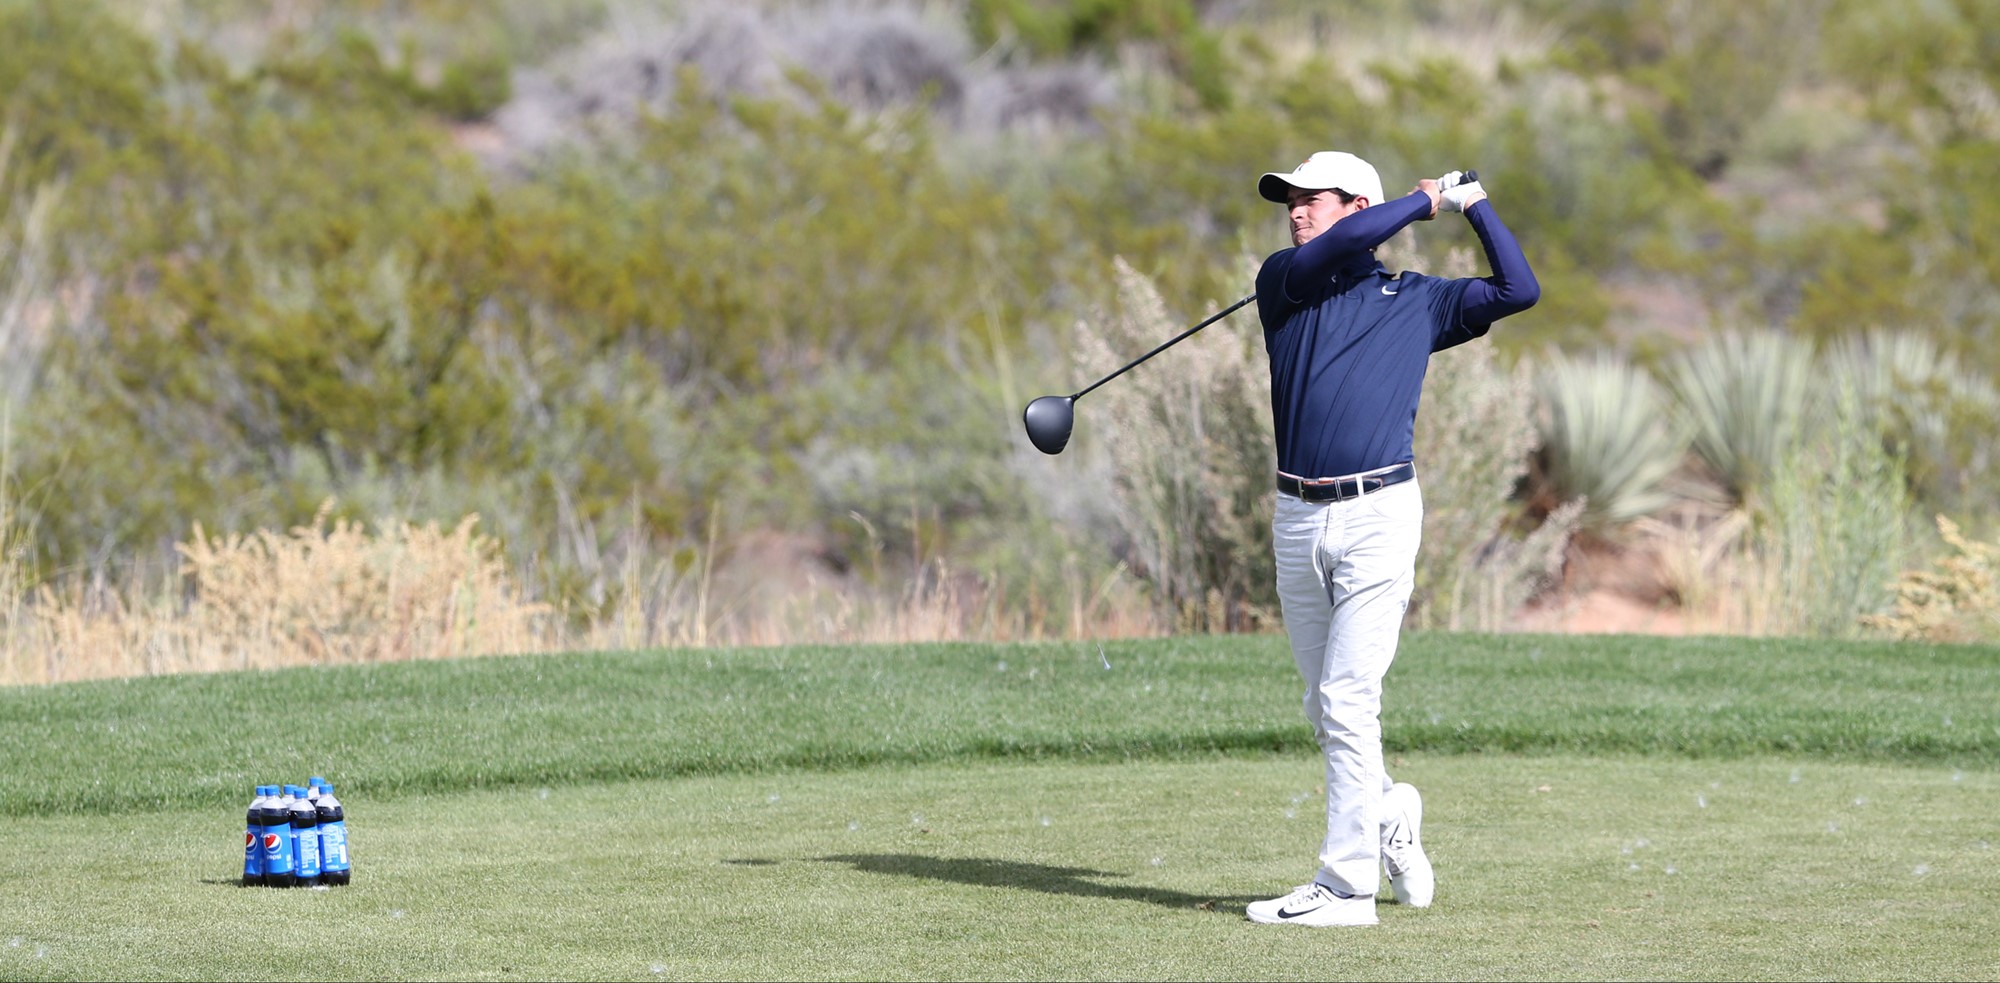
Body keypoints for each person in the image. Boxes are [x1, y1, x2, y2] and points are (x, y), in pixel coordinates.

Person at [1241, 152, 1539, 927]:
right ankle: (1387, 815)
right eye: (1291, 202)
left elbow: (1519, 290)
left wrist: (1472, 206)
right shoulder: (1286, 280)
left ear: (1357, 204)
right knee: (1323, 703)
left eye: (1313, 200)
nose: (1296, 212)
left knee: (1348, 697)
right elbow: (1340, 248)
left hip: (1379, 513)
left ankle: (1345, 888)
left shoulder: (1418, 302)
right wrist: (1421, 200)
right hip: (1297, 515)